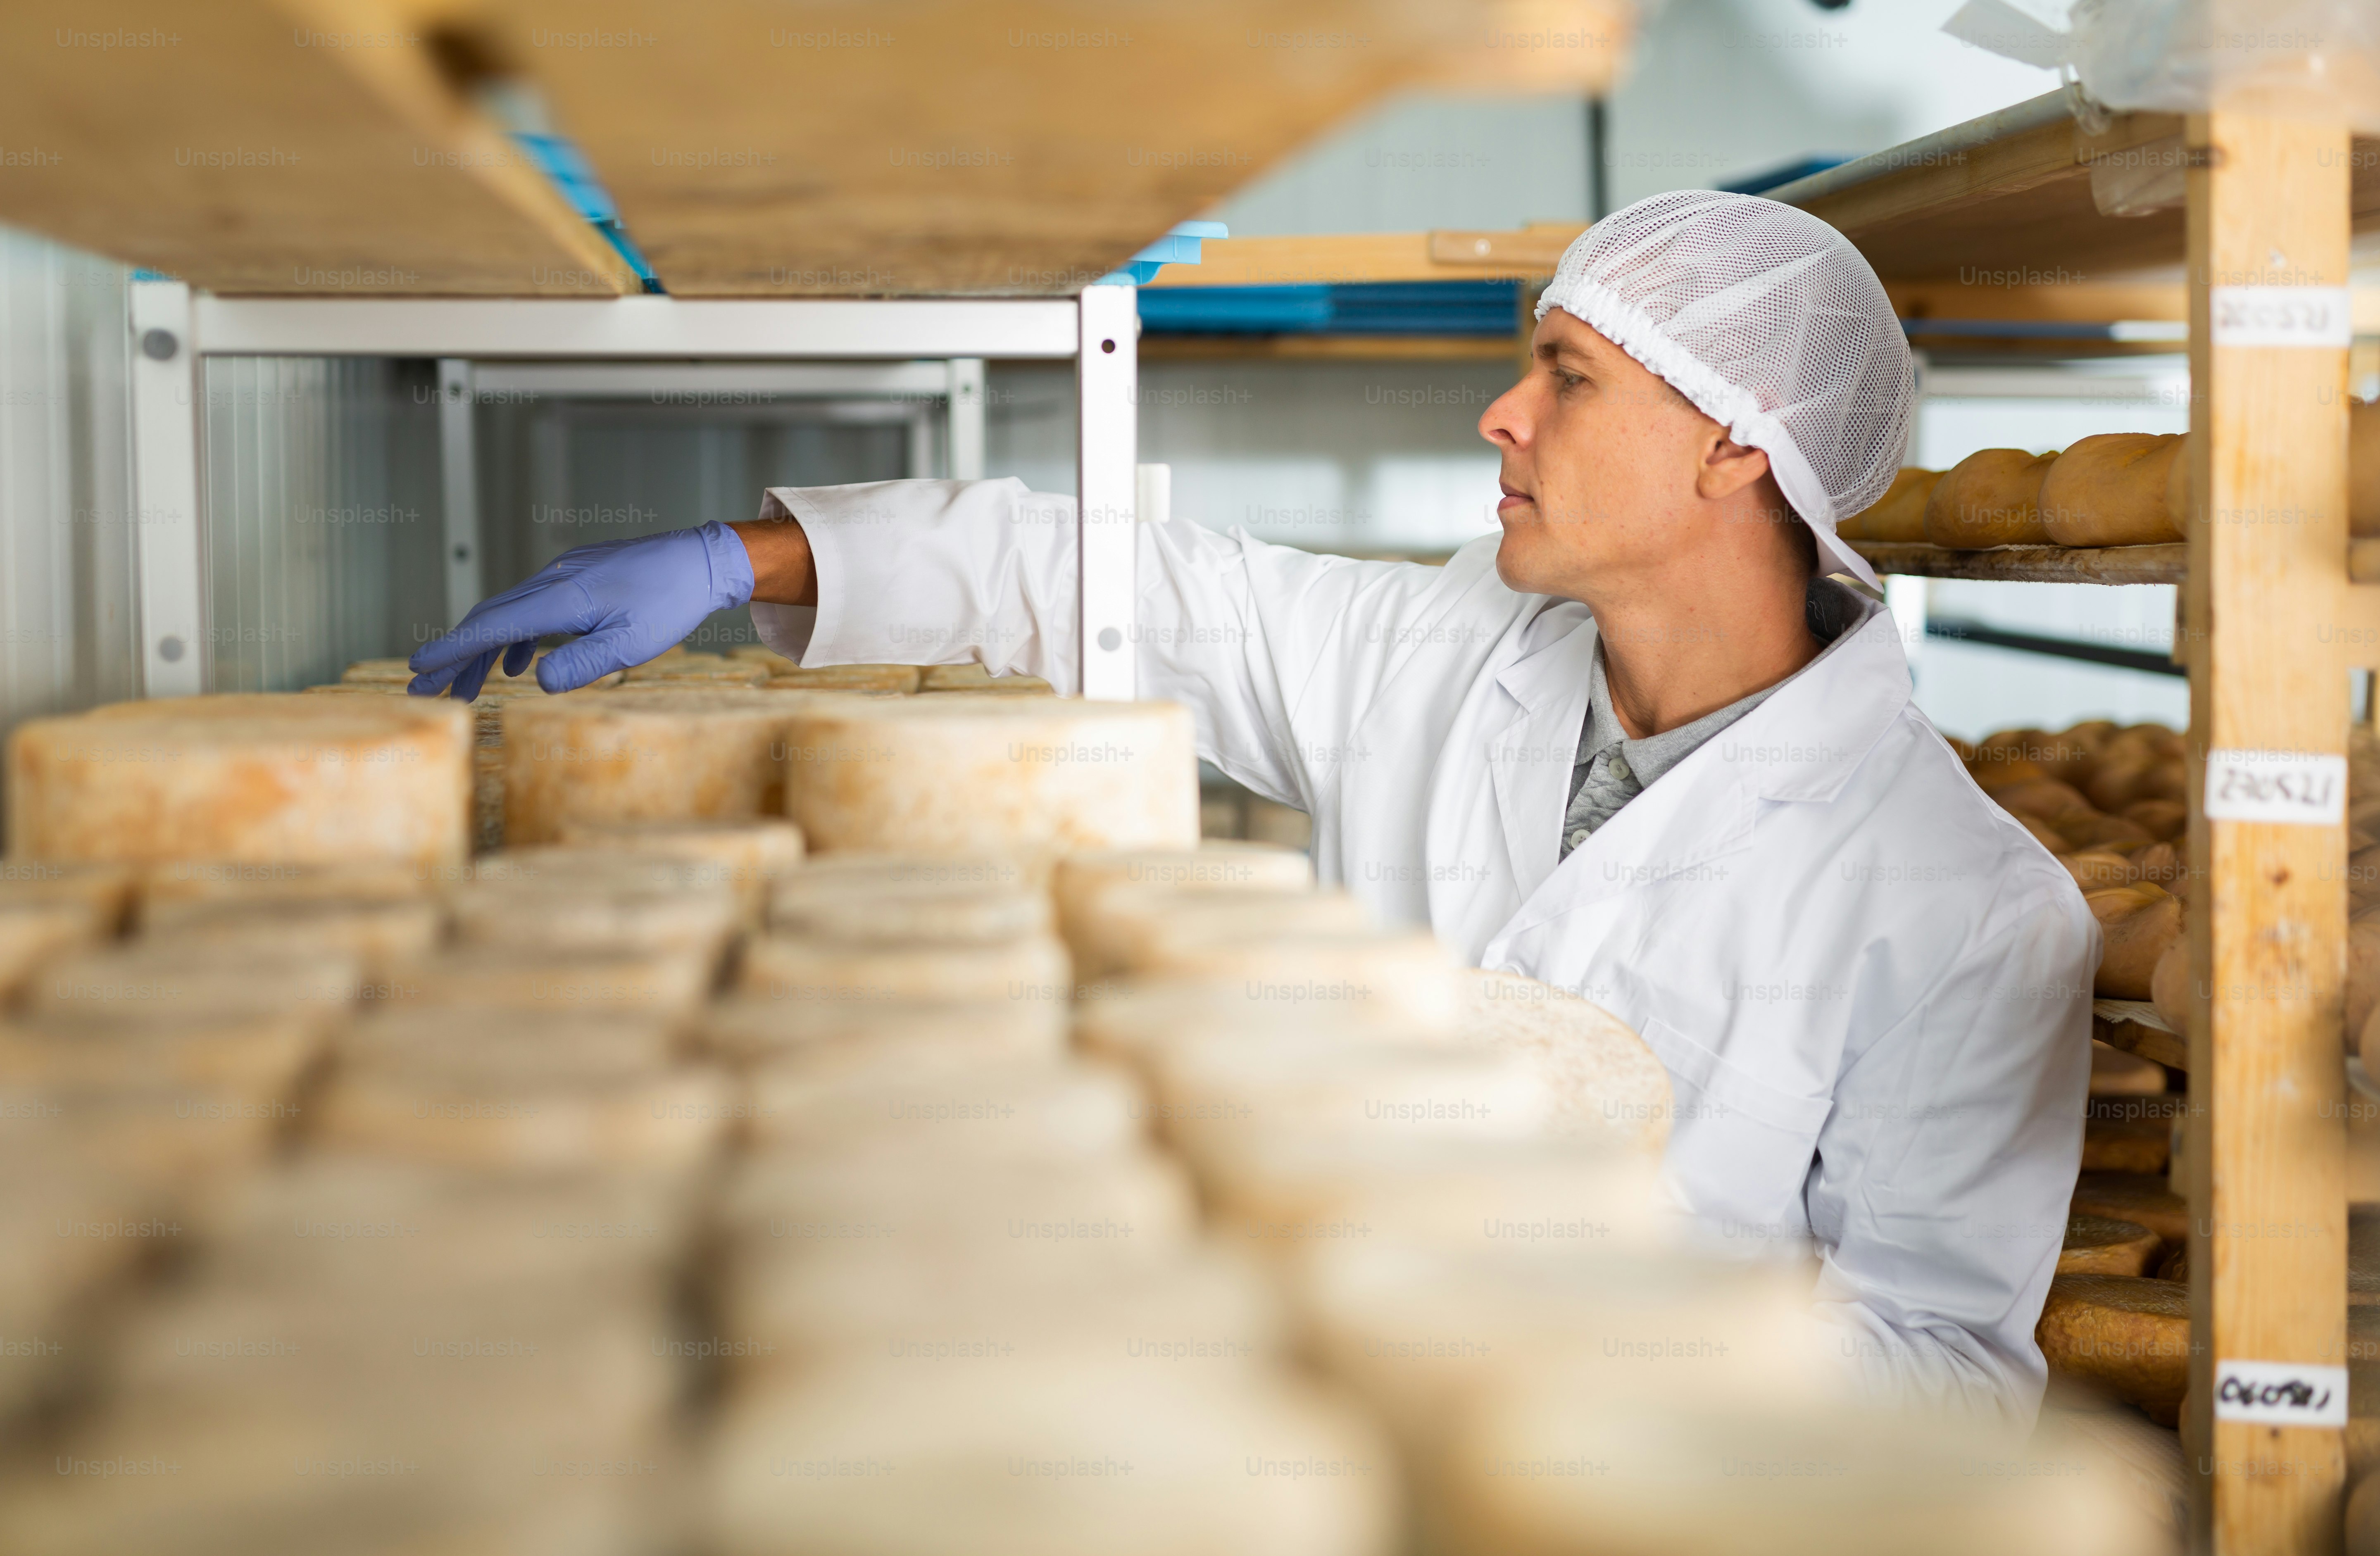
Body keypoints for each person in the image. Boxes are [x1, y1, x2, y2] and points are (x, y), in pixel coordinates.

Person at [412, 191, 2097, 1425]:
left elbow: (1945, 1371)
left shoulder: (1965, 907)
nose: (1502, 414)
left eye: (1568, 378)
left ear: (1739, 447)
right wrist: (747, 560)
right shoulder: (1445, 655)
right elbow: (1110, 582)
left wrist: (1572, 1346)